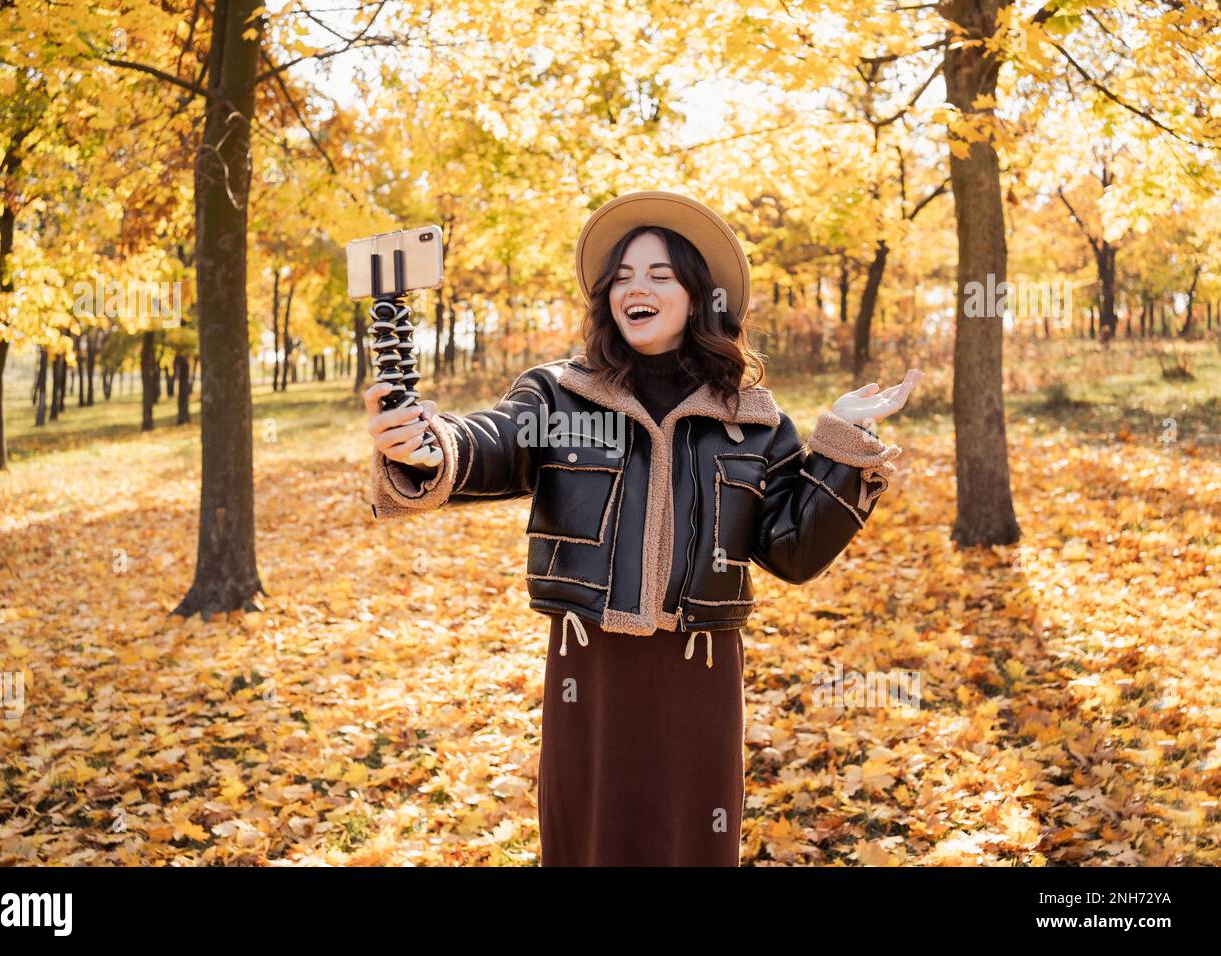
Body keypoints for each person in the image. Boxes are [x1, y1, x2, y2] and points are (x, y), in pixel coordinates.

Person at [362, 190, 922, 866]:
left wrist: (843, 443)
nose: (638, 288)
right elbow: (495, 440)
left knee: (691, 840)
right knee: (591, 840)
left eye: (660, 275)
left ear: (696, 295)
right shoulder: (559, 393)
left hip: (700, 672)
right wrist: (426, 445)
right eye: (624, 276)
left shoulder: (753, 419)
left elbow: (793, 550)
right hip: (589, 670)